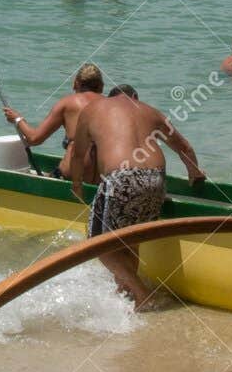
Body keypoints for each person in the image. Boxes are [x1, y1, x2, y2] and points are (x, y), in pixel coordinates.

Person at [68, 88, 205, 307]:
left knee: (97, 244)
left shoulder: (93, 109)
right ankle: (127, 291)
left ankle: (143, 293)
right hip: (156, 179)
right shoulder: (150, 111)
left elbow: (77, 155)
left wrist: (77, 186)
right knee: (131, 241)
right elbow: (184, 147)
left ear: (111, 98)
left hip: (121, 177)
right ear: (135, 98)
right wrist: (194, 173)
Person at [3, 63, 105, 177]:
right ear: (101, 86)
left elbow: (34, 138)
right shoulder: (111, 107)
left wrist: (17, 119)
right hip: (102, 178)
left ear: (75, 83)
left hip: (71, 174)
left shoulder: (68, 103)